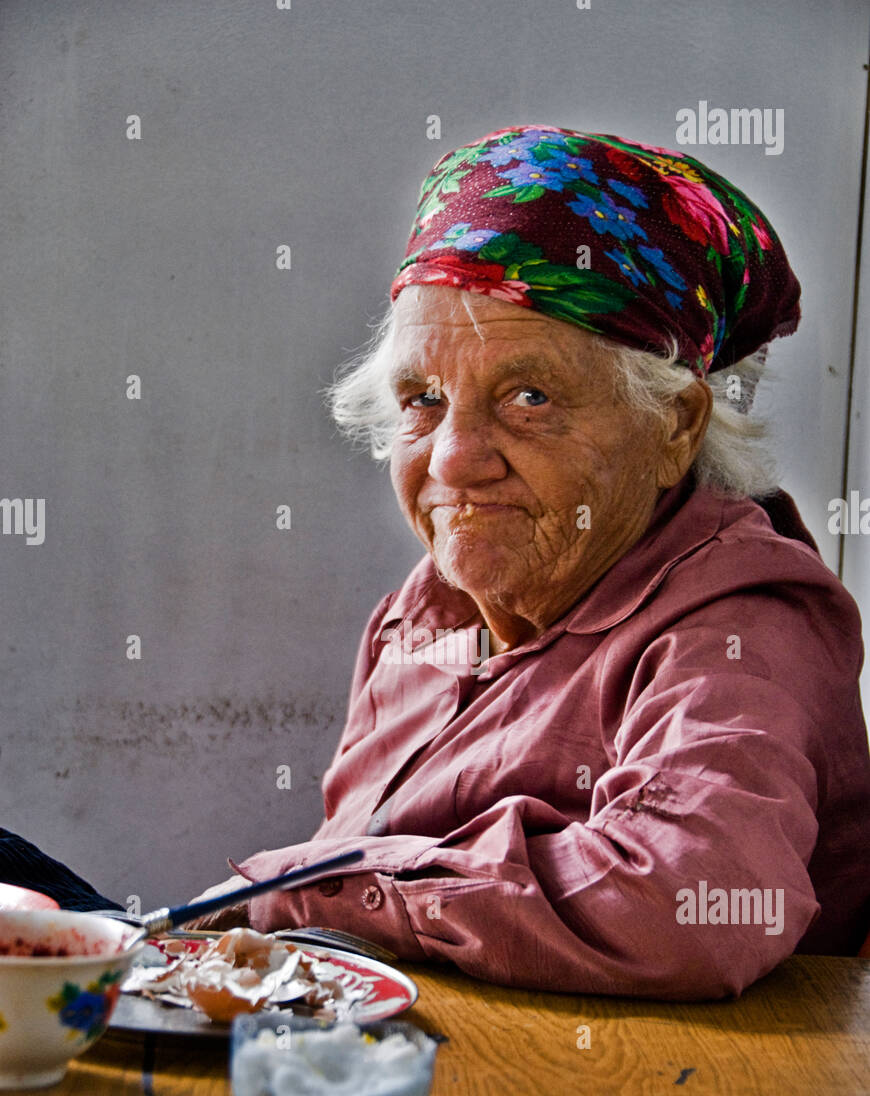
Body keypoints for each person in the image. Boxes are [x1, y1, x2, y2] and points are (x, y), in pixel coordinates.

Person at [14, 126, 870, 998]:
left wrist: (319, 887)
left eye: (529, 398)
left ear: (675, 426)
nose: (455, 459)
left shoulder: (741, 619)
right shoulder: (421, 620)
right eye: (423, 400)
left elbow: (697, 899)